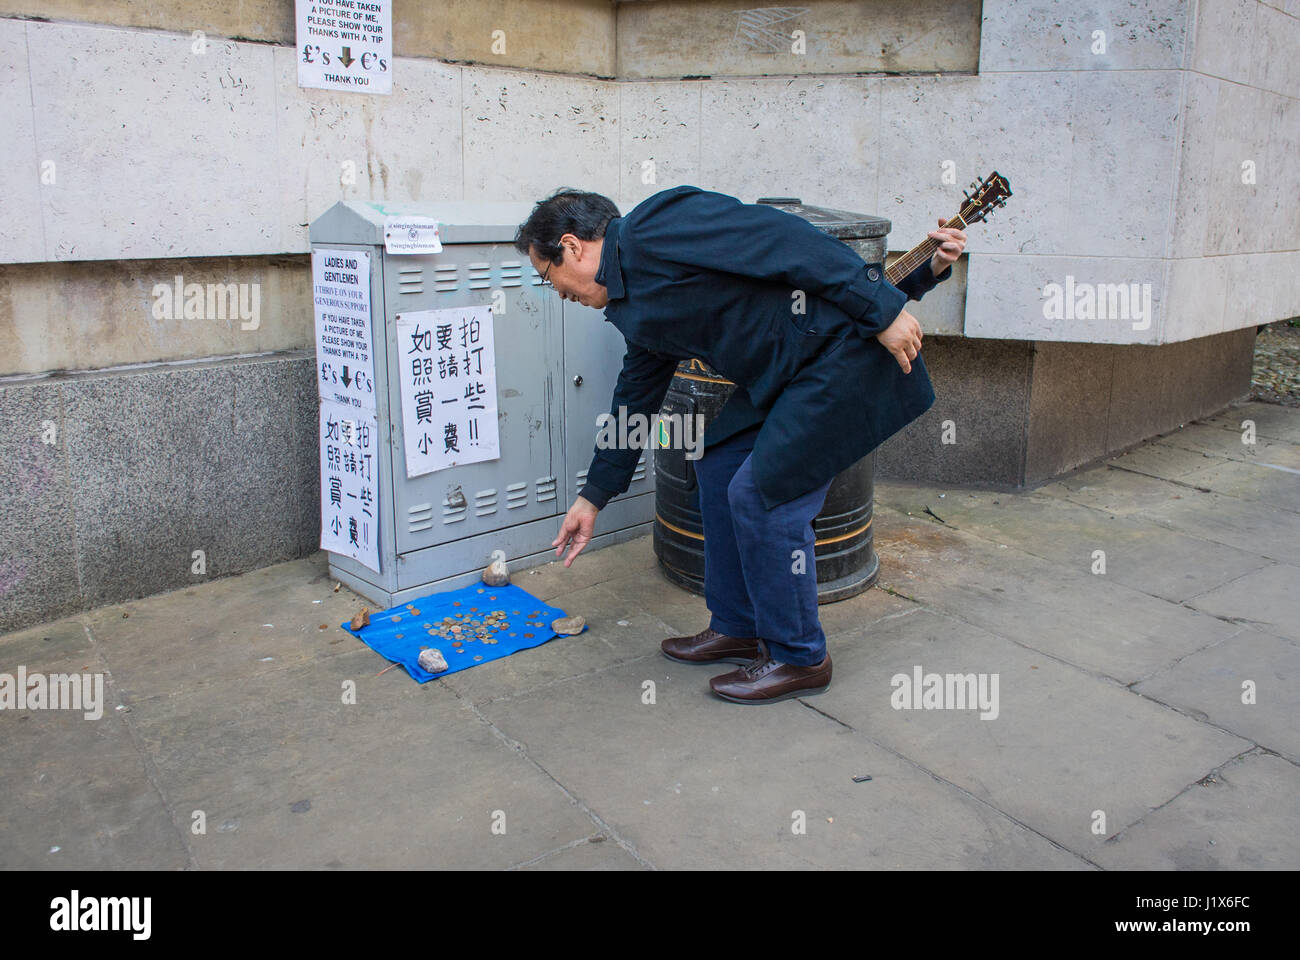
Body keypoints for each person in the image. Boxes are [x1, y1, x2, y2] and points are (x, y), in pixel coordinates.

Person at [513, 185, 964, 704]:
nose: (558, 293)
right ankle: (740, 625)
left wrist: (883, 309)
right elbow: (634, 399)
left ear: (570, 246)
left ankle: (800, 656)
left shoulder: (659, 226)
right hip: (786, 376)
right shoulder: (631, 302)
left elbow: (787, 239)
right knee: (716, 462)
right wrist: (593, 495)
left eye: (548, 278)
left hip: (838, 362)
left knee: (763, 494)